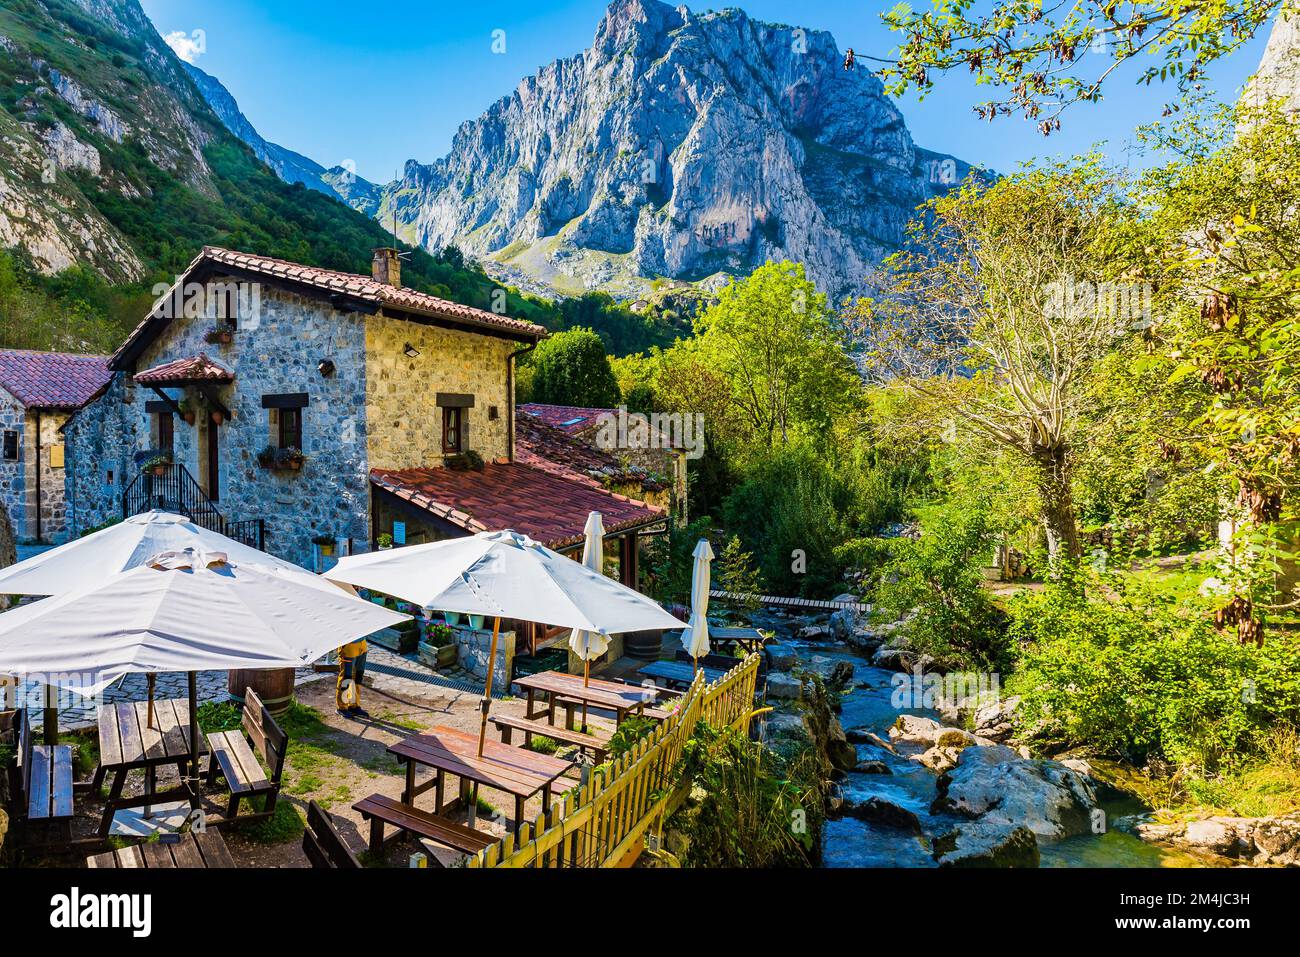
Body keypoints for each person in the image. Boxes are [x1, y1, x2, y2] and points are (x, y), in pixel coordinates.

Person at [336, 637, 369, 718]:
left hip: (362, 644)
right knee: (346, 678)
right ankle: (342, 708)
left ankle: (354, 705)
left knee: (358, 676)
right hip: (348, 646)